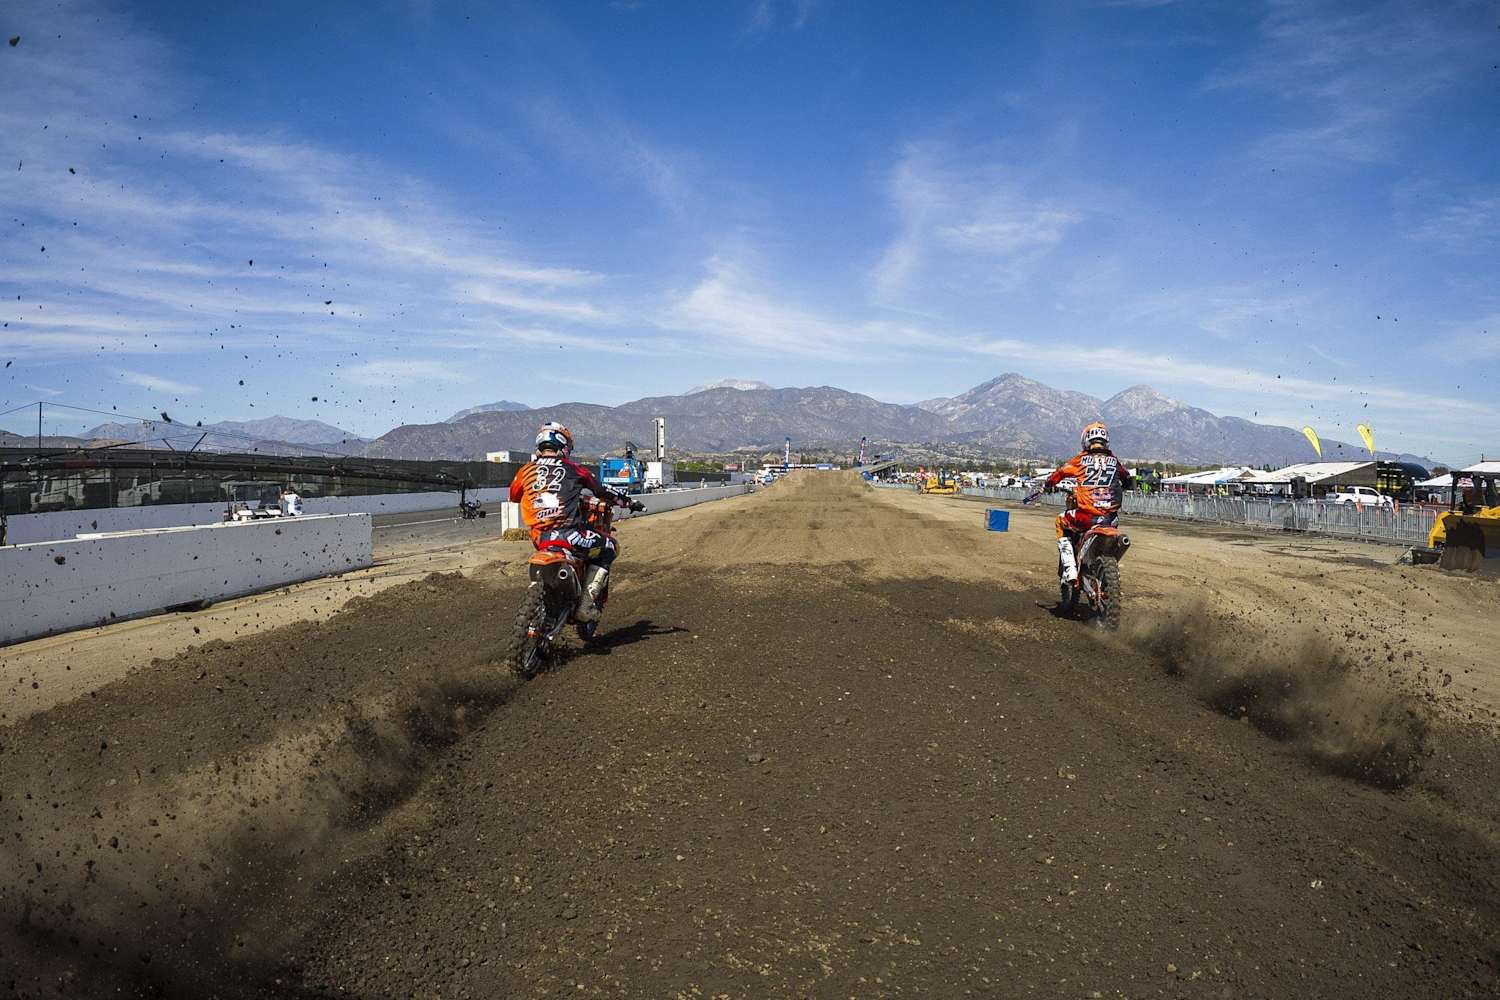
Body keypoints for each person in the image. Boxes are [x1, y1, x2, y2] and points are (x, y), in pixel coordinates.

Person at [509, 422, 642, 622]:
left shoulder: (525, 471)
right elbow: (601, 491)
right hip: (570, 534)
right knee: (609, 547)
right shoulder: (575, 470)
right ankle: (586, 604)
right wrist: (628, 502)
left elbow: (514, 496)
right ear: (563, 445)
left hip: (539, 537)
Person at [1045, 421, 1133, 585]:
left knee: (1060, 521)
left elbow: (1060, 472)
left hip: (1086, 517)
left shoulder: (1080, 460)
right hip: (1111, 519)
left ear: (1086, 439)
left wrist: (1048, 483)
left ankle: (1070, 568)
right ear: (1106, 440)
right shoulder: (1114, 460)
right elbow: (1127, 479)